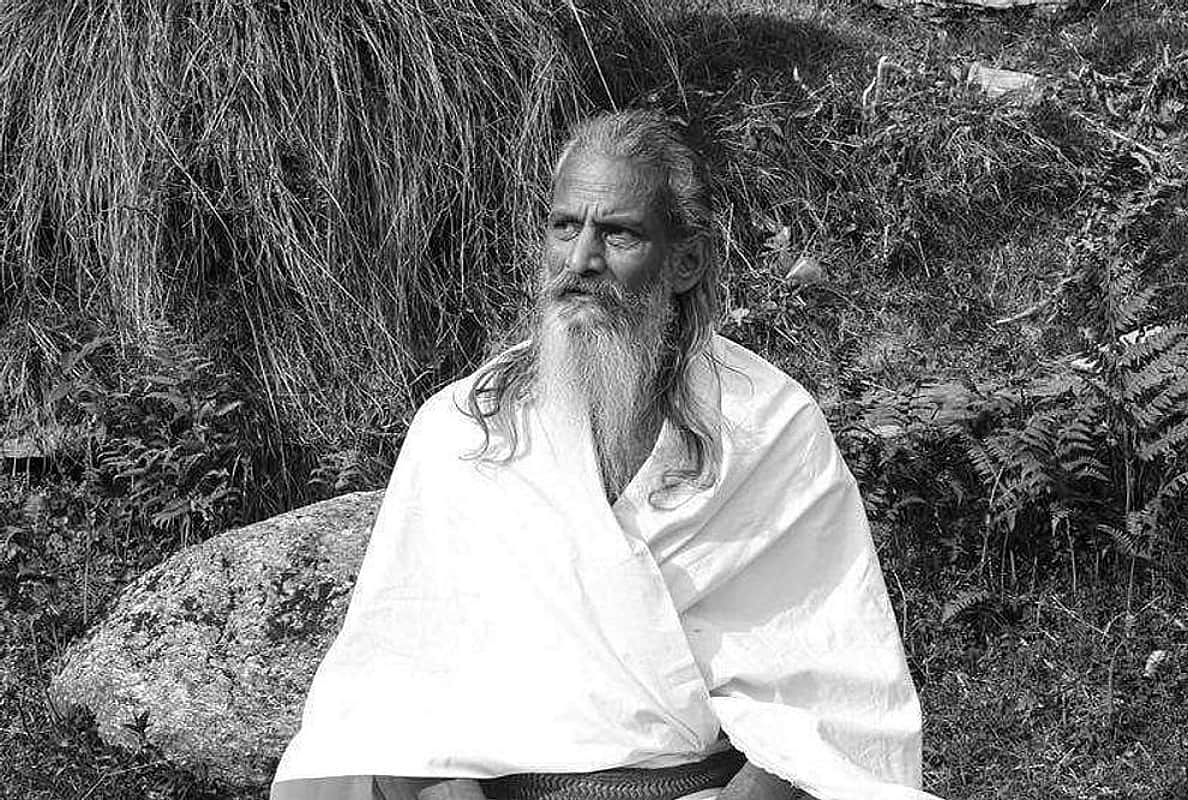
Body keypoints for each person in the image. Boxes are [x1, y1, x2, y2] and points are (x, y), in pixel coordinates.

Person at [271, 110, 939, 800]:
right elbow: (392, 675)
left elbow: (830, 693)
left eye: (617, 233)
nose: (581, 259)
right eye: (565, 226)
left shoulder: (769, 426)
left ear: (685, 261)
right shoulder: (465, 431)